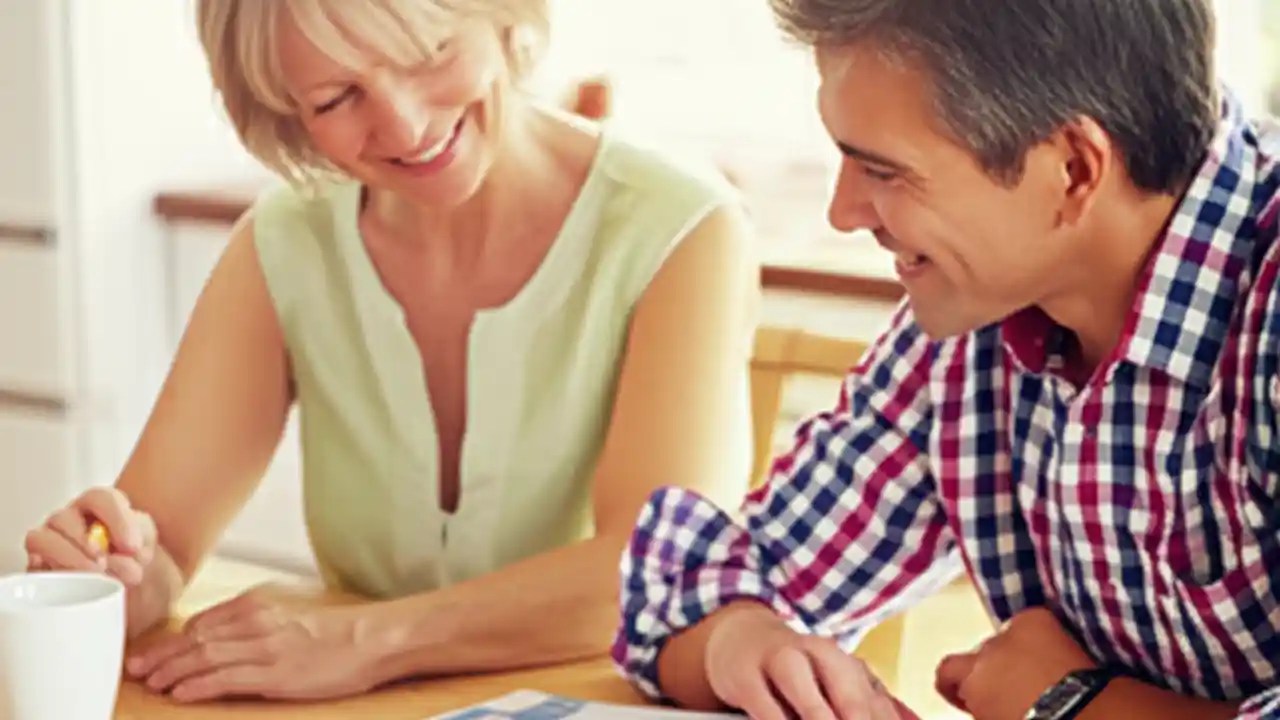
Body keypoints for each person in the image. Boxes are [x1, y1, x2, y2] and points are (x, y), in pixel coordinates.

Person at [21, 0, 759, 704]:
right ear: (287, 113)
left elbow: (657, 571)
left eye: (426, 52)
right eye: (338, 97)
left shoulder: (682, 228)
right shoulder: (286, 241)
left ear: (499, 17)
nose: (405, 126)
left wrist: (369, 641)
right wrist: (110, 575)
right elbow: (164, 546)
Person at [613, 1, 1280, 718]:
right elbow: (690, 589)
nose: (842, 212)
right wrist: (745, 642)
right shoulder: (980, 313)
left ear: (1073, 170)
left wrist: (1072, 703)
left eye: (884, 171)